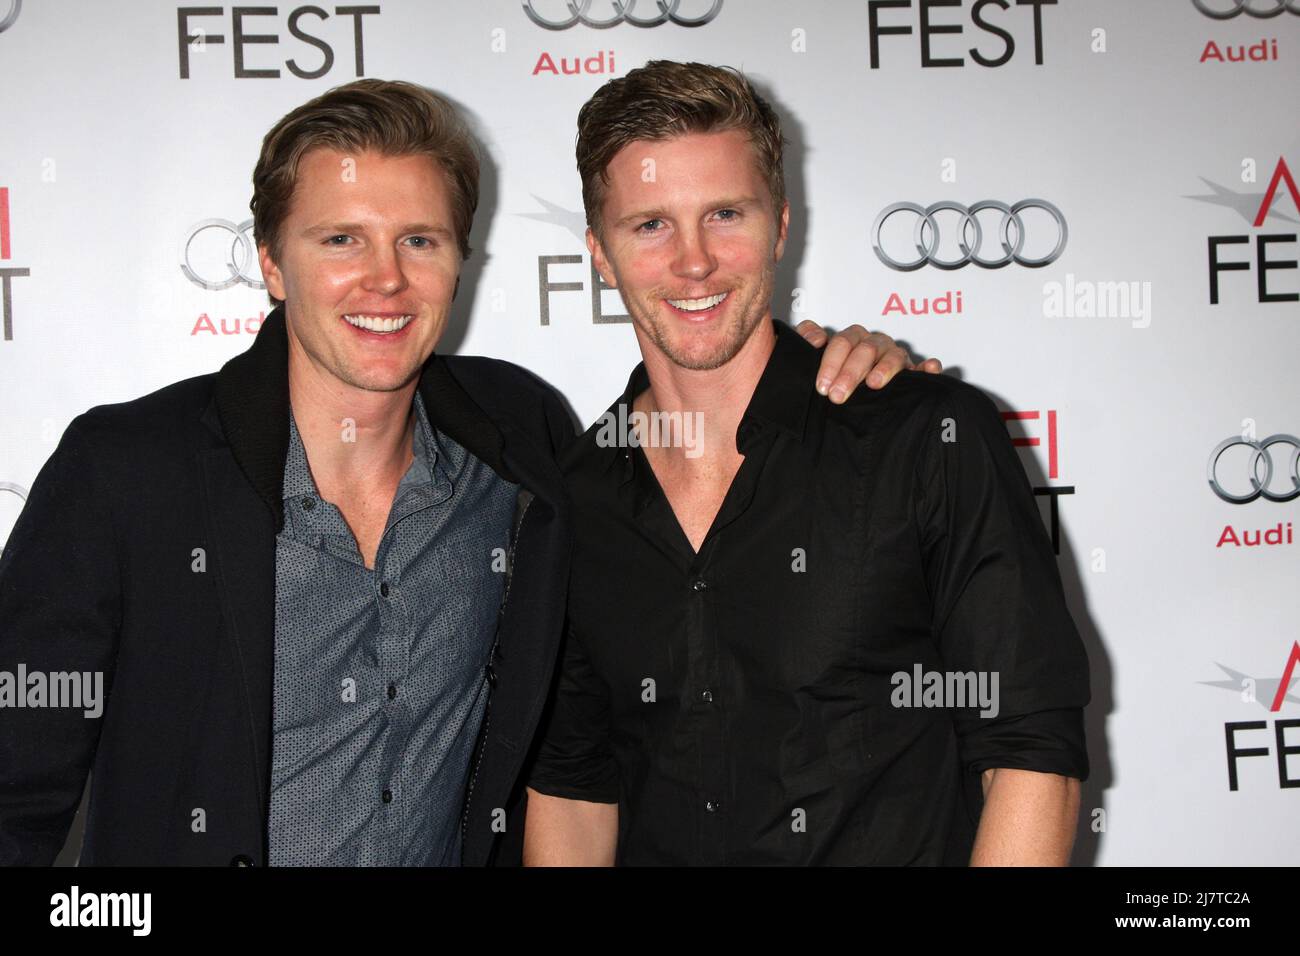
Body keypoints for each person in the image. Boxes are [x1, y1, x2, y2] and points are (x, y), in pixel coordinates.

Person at [0, 79, 927, 866]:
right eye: (340, 241)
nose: (385, 280)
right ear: (273, 264)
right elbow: (17, 788)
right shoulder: (128, 472)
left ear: (461, 264)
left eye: (419, 240)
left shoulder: (519, 446)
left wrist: (843, 371)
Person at [522, 61, 1091, 866]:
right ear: (599, 254)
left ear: (781, 225)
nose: (694, 262)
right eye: (649, 225)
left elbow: (1030, 755)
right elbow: (575, 790)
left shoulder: (926, 439)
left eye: (726, 214)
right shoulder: (574, 497)